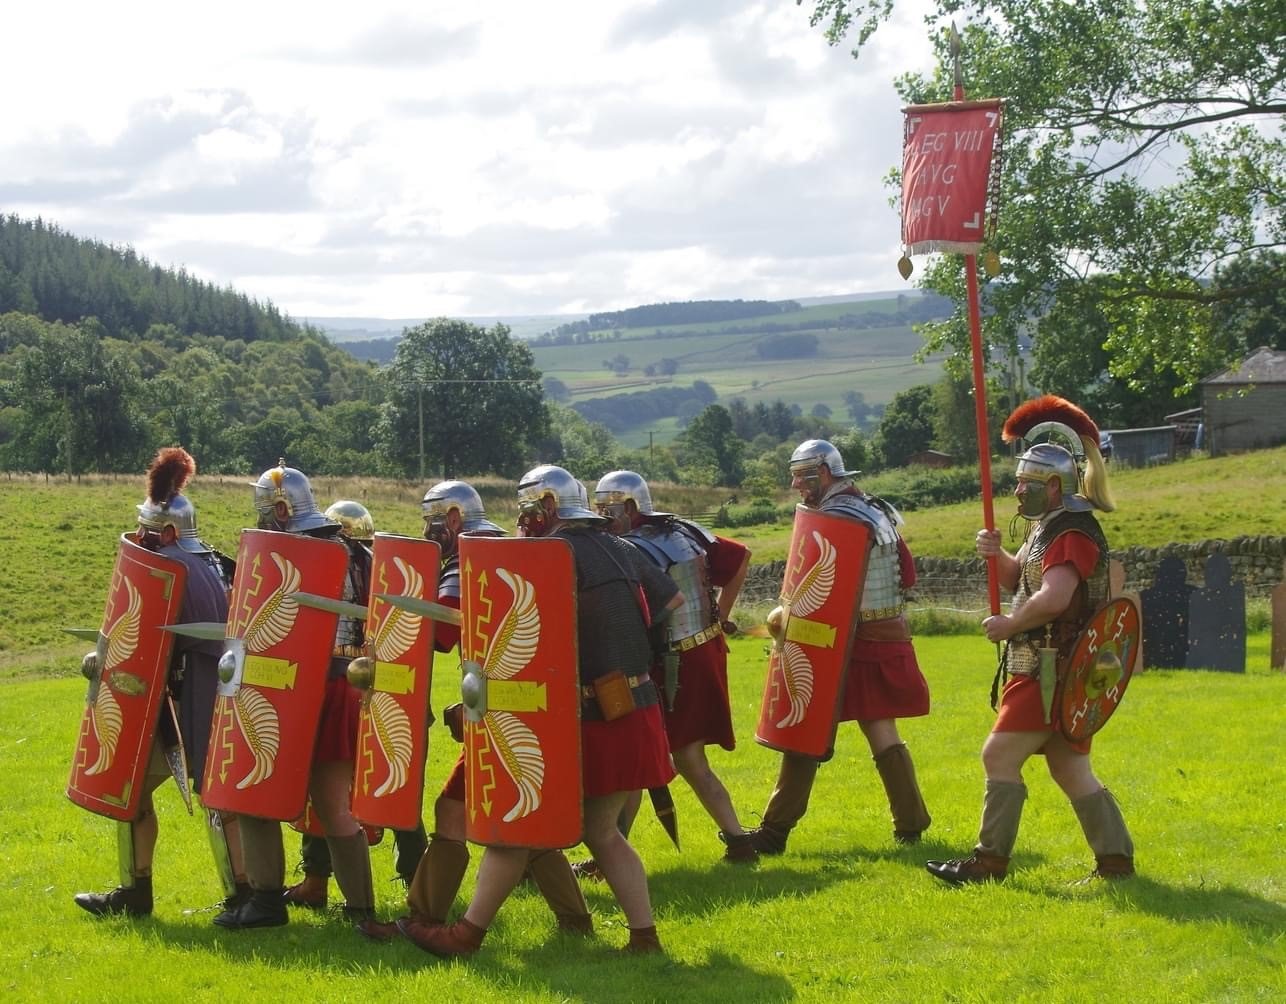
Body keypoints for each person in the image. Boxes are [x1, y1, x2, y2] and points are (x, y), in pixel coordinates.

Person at [399, 465, 681, 957]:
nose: (522, 522)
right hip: (634, 706)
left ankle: (466, 935)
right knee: (601, 832)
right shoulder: (622, 547)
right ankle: (644, 937)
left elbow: (534, 645)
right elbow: (671, 600)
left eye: (528, 511)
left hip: (589, 717)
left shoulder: (553, 556)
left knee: (517, 823)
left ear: (549, 507)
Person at [927, 395, 1134, 885]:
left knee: (998, 756)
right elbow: (1015, 579)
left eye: (1028, 483)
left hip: (1050, 666)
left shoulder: (1074, 533)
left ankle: (988, 862)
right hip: (1051, 665)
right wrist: (995, 552)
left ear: (1056, 485)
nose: (1018, 491)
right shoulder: (1046, 528)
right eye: (1017, 482)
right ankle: (1116, 863)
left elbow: (1055, 597)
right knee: (1068, 767)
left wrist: (1010, 625)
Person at [394, 480, 591, 937]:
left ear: (454, 519)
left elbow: (441, 632)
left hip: (499, 712)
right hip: (515, 707)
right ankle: (575, 920)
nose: (428, 531)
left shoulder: (469, 559)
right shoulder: (505, 548)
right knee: (525, 814)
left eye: (432, 521)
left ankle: (424, 916)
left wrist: (398, 619)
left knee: (455, 812)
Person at [213, 462, 387, 936]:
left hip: (301, 687)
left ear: (282, 509)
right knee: (334, 806)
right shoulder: (356, 550)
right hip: (340, 684)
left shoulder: (289, 552)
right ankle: (360, 913)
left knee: (258, 790)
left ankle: (268, 900)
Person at [74, 447, 249, 917]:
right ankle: (240, 894)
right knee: (211, 798)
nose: (140, 537)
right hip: (207, 694)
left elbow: (155, 639)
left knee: (138, 792)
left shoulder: (170, 567)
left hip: (174, 699)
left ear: (170, 531)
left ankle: (144, 893)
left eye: (150, 530)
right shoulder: (216, 561)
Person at [747, 440, 932, 854]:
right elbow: (910, 576)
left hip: (851, 639)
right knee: (880, 730)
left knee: (805, 727)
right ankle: (911, 826)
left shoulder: (835, 518)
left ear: (824, 474)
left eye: (802, 475)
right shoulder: (876, 510)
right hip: (881, 632)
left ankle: (774, 833)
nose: (795, 484)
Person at [591, 469, 756, 863]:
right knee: (678, 756)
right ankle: (738, 841)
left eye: (607, 508)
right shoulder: (686, 530)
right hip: (703, 650)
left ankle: (609, 855)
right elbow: (741, 557)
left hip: (674, 663)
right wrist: (721, 616)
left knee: (664, 756)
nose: (601, 516)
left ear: (630, 506)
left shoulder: (629, 547)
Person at [283, 500, 429, 911]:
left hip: (334, 683)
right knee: (356, 793)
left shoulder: (333, 561)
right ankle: (339, 891)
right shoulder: (377, 562)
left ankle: (371, 905)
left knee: (340, 800)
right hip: (366, 684)